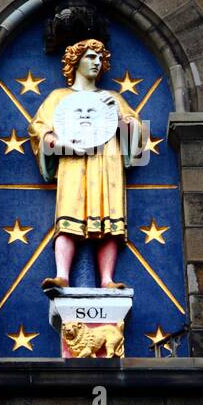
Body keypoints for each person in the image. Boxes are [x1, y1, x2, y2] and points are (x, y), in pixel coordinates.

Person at [27, 38, 147, 291]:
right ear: (75, 61)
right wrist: (61, 145)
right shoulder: (59, 97)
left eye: (100, 58)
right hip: (74, 161)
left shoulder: (112, 97)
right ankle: (62, 275)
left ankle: (107, 279)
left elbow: (137, 135)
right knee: (69, 215)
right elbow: (39, 129)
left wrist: (118, 118)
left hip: (107, 161)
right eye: (90, 57)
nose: (97, 62)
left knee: (110, 219)